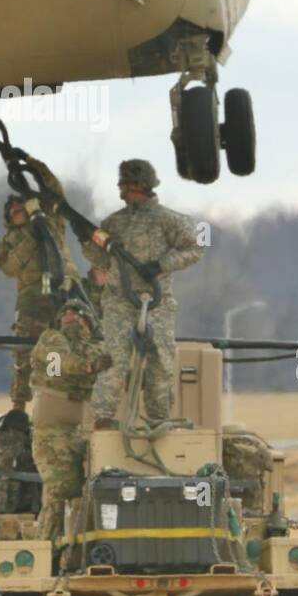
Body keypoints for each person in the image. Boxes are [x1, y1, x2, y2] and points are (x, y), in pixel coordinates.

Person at [83, 159, 203, 427]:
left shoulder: (169, 220)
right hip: (119, 301)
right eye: (122, 185)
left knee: (160, 362)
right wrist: (85, 238)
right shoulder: (112, 224)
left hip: (157, 302)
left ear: (142, 186)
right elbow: (100, 259)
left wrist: (160, 266)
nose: (123, 191)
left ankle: (158, 421)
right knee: (113, 360)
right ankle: (103, 419)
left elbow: (196, 247)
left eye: (127, 185)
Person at [0, 156, 79, 410]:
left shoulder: (51, 223)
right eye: (15, 212)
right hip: (32, 300)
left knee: (61, 349)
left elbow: (54, 192)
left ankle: (56, 400)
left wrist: (35, 166)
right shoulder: (11, 240)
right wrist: (32, 232)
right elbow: (8, 267)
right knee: (24, 354)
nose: (19, 213)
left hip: (64, 293)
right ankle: (18, 407)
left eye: (23, 208)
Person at [29, 300, 110, 542]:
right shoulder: (51, 341)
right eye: (64, 313)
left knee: (89, 490)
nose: (70, 317)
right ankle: (46, 549)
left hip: (84, 427)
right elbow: (58, 366)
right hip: (53, 427)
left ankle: (76, 545)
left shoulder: (95, 348)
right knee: (60, 489)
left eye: (77, 314)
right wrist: (88, 367)